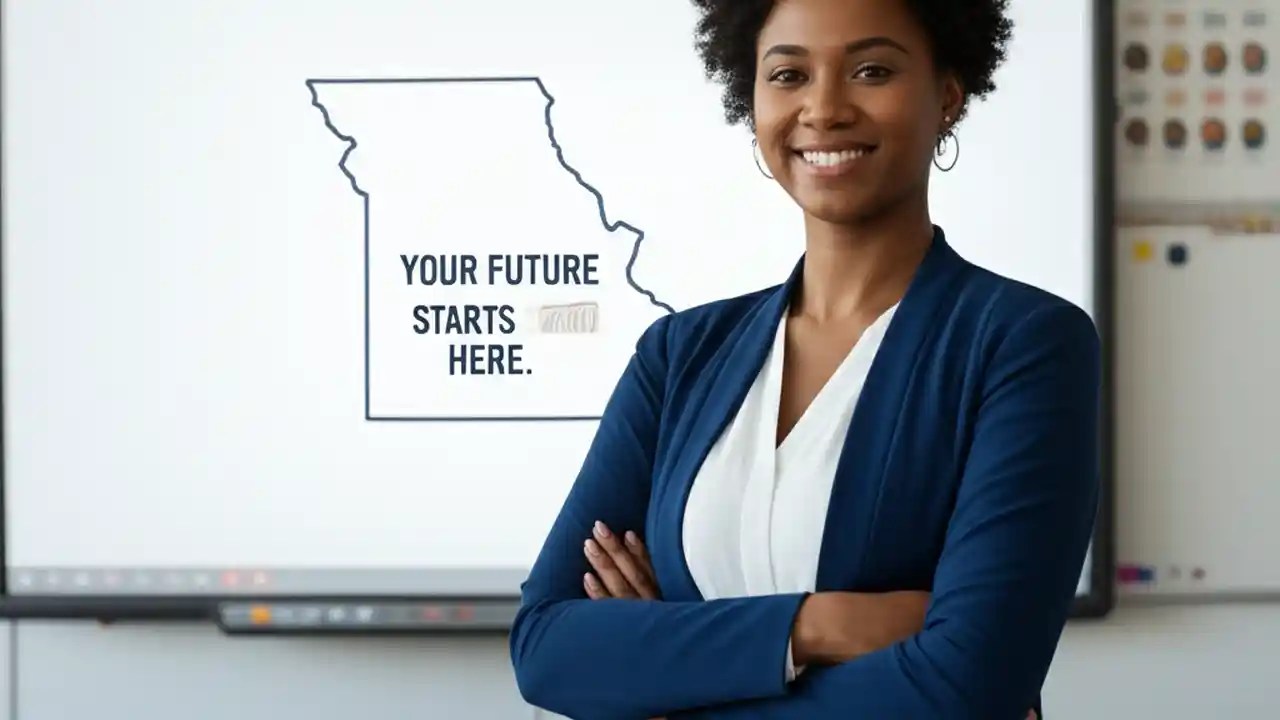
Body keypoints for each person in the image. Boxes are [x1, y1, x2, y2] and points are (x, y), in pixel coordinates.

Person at [509, 0, 1100, 717]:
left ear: (947, 94)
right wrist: (824, 625)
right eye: (788, 74)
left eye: (872, 70)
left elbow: (964, 687)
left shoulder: (1023, 344)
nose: (823, 108)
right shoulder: (680, 356)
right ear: (751, 98)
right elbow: (547, 648)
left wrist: (663, 680)